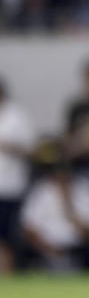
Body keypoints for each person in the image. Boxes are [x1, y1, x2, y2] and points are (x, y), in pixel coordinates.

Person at [0, 80, 36, 273]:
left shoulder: (17, 116)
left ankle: (8, 273)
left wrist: (7, 146)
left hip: (10, 187)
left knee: (7, 236)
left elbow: (31, 150)